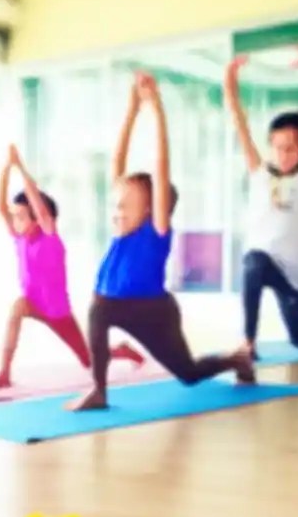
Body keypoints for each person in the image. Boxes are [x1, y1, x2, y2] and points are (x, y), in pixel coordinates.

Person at [68, 72, 255, 411]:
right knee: (97, 309)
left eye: (126, 206)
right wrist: (131, 109)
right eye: (116, 205)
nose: (117, 212)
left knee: (188, 373)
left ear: (155, 209)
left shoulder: (155, 231)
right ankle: (99, 389)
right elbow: (117, 164)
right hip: (111, 304)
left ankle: (236, 360)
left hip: (153, 312)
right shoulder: (121, 229)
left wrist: (157, 110)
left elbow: (161, 165)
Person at [0, 144, 143, 389]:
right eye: (14, 216)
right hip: (33, 302)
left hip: (57, 311)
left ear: (38, 220)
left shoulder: (50, 239)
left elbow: (40, 210)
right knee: (16, 309)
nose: (15, 221)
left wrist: (20, 167)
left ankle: (122, 351)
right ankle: (4, 373)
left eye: (21, 216)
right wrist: (7, 168)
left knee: (88, 361)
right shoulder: (20, 240)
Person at [224, 47, 298, 357]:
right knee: (253, 261)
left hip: (293, 275)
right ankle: (248, 342)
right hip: (262, 261)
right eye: (277, 147)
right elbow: (239, 123)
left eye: (291, 148)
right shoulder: (260, 174)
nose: (283, 154)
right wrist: (230, 83)